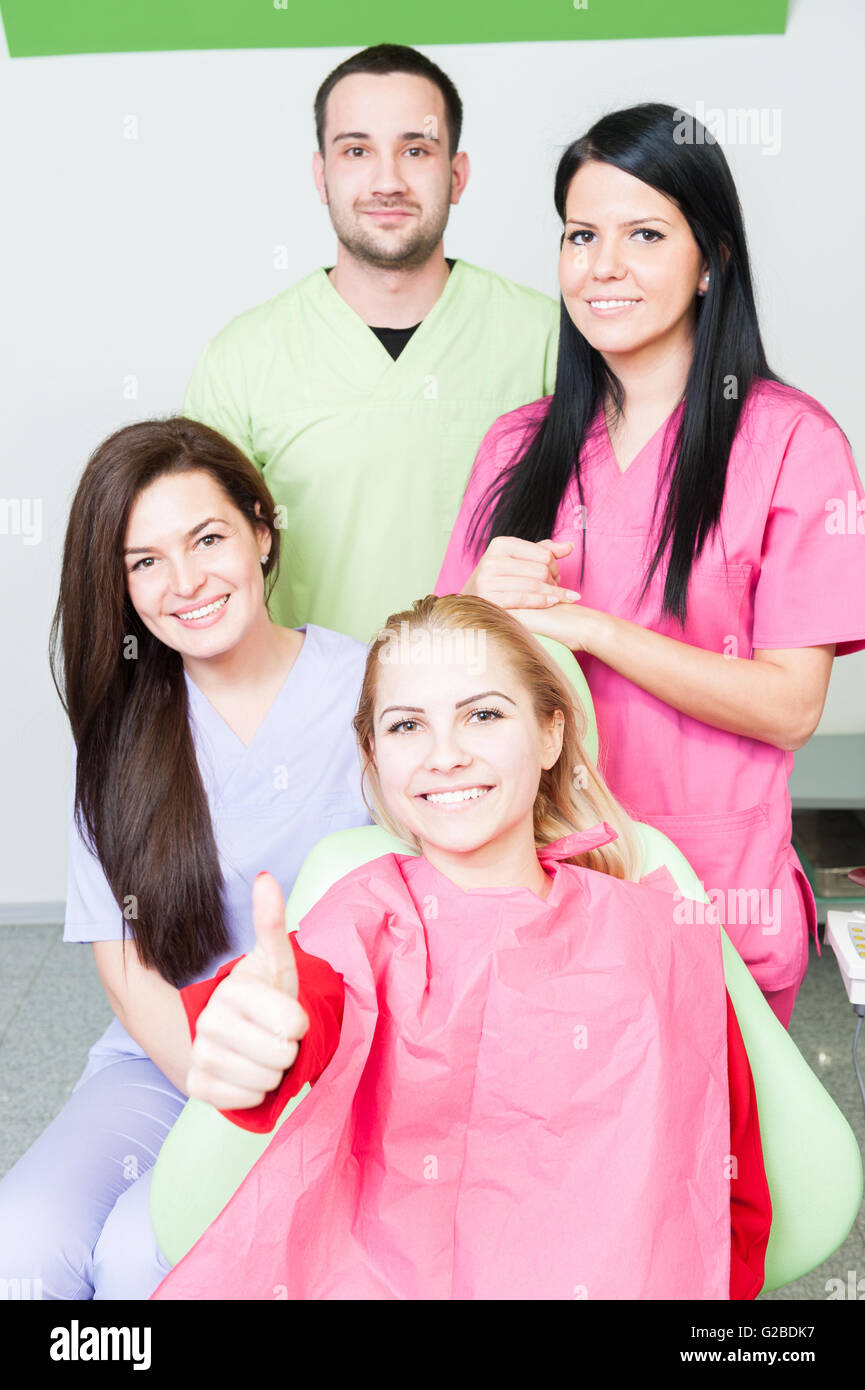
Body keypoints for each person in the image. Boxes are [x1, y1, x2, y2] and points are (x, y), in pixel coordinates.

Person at [151, 595, 771, 1301]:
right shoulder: (365, 918)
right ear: (373, 754)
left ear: (548, 735)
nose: (445, 756)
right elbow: (303, 1001)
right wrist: (251, 1026)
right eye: (407, 725)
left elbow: (726, 1184)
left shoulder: (658, 936)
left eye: (482, 715)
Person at [433, 103, 865, 1029]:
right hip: (539, 893)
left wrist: (592, 627)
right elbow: (445, 690)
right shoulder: (515, 448)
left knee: (712, 1173)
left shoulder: (793, 443)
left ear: (708, 262)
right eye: (580, 235)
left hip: (718, 900)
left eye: (643, 234)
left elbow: (790, 706)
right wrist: (478, 611)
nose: (602, 267)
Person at [0, 418, 372, 1300]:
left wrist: (265, 1108)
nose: (186, 582)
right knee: (21, 1246)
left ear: (262, 531)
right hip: (165, 1057)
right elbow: (127, 971)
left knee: (144, 1254)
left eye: (208, 538)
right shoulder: (121, 742)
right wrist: (216, 1094)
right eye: (145, 562)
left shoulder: (371, 692)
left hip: (335, 1068)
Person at [182, 43, 559, 644]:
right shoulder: (242, 359)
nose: (387, 180)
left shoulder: (547, 339)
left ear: (457, 174)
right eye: (357, 151)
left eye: (416, 149)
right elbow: (198, 565)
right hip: (305, 722)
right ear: (321, 174)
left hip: (494, 716)